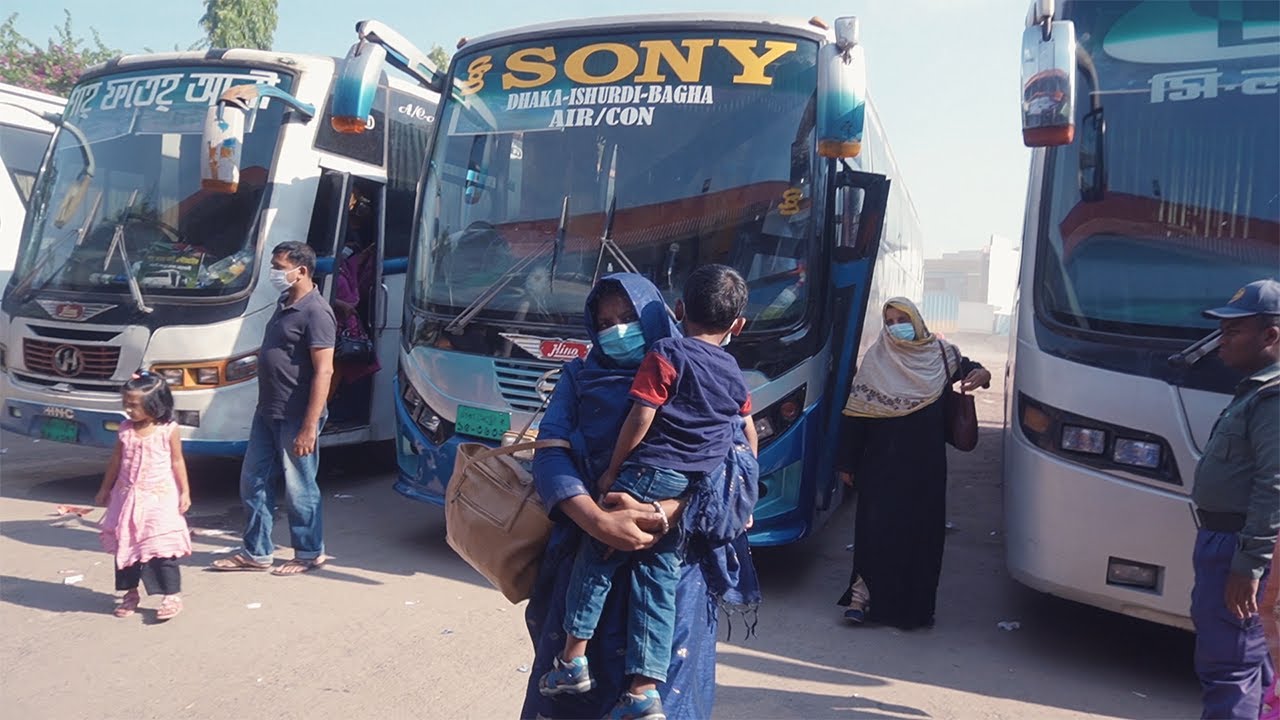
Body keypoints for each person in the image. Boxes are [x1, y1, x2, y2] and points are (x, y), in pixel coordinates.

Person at [523, 272, 760, 720]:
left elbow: (733, 468)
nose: (616, 331)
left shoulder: (694, 372)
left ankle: (639, 690)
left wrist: (666, 511)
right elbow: (551, 453)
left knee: (666, 700)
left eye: (627, 318)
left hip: (675, 578)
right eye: (605, 322)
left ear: (660, 316)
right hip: (589, 548)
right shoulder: (579, 376)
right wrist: (596, 520)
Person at [834, 297, 991, 630]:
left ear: (916, 320)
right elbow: (855, 417)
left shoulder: (941, 355)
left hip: (925, 467)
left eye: (901, 319)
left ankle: (914, 610)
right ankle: (861, 599)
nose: (895, 327)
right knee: (875, 531)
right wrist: (847, 463)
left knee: (920, 536)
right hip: (880, 465)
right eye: (889, 321)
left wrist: (983, 373)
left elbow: (971, 369)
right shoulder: (876, 360)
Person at [211, 241, 336, 576]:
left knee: (300, 487)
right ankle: (256, 552)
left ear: (301, 271)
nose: (273, 274)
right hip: (268, 409)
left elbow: (324, 371)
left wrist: (309, 426)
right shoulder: (284, 303)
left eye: (279, 268)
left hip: (297, 414)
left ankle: (309, 553)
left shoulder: (316, 312)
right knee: (253, 481)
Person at [1190, 278, 1280, 720]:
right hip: (1226, 542)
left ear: (1271, 335)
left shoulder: (1274, 398)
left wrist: (1248, 567)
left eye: (1233, 331)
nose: (1221, 341)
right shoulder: (1256, 391)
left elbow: (1274, 485)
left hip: (1238, 547)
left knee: (1231, 667)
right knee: (1250, 667)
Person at [93, 371, 192, 620]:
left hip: (159, 500)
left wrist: (185, 492)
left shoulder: (168, 430)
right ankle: (130, 593)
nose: (128, 409)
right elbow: (116, 461)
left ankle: (171, 595)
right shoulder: (125, 429)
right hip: (127, 498)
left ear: (155, 404)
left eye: (134, 405)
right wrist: (105, 488)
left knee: (160, 548)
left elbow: (177, 461)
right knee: (126, 546)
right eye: (126, 403)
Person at [328, 194, 380, 411]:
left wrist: (366, 254)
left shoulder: (345, 263)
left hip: (347, 325)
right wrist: (340, 304)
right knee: (331, 370)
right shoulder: (330, 268)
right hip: (335, 326)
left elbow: (354, 267)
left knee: (347, 369)